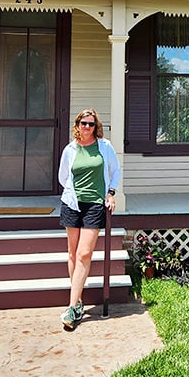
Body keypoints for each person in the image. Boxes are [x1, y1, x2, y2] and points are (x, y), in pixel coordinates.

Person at [57, 108, 121, 331]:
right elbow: (63, 177)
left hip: (95, 204)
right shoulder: (70, 149)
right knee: (73, 253)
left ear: (96, 127)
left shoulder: (104, 147)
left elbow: (115, 171)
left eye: (91, 124)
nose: (87, 127)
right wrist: (72, 194)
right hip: (72, 204)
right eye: (83, 123)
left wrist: (111, 193)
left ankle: (72, 306)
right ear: (77, 125)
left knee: (85, 253)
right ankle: (79, 300)